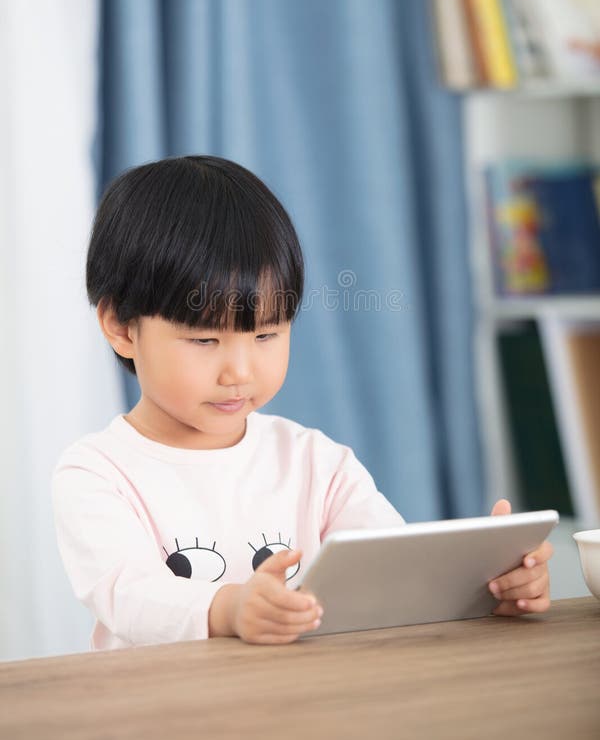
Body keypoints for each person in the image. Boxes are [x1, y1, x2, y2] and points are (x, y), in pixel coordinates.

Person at [52, 155, 552, 651]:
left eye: (266, 334)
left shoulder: (318, 463)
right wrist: (229, 608)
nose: (240, 372)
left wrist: (486, 587)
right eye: (205, 341)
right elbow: (128, 594)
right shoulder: (98, 474)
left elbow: (390, 572)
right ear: (120, 326)